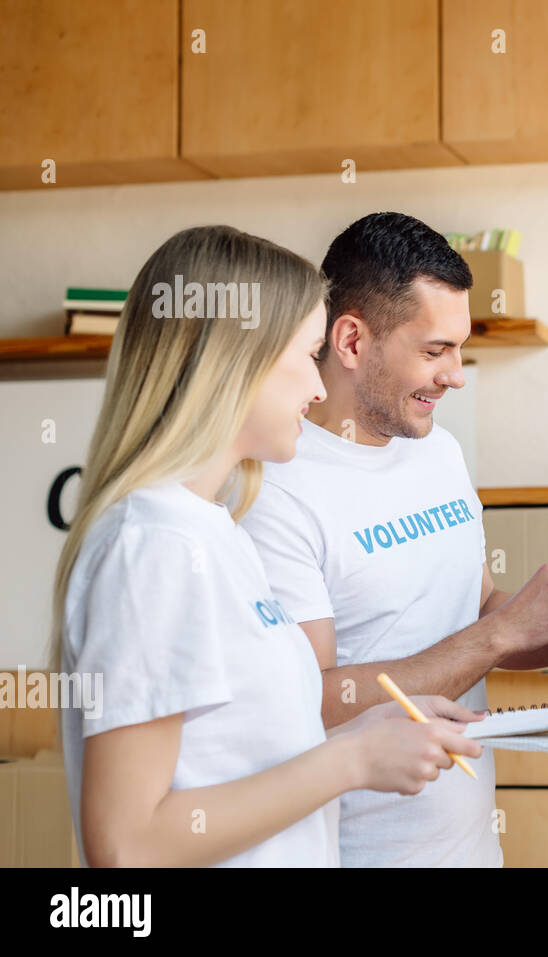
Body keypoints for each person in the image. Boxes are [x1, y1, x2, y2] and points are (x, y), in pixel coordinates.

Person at [54, 225, 483, 868]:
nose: (318, 388)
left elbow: (248, 754)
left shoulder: (215, 529)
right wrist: (352, 759)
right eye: (309, 355)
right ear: (236, 363)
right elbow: (127, 846)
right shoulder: (151, 547)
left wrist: (373, 730)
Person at [240, 212, 548, 867]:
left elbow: (477, 608)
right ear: (351, 339)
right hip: (358, 852)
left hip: (471, 848)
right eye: (436, 349)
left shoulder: (437, 451)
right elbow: (316, 697)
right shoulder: (276, 487)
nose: (457, 374)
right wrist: (499, 633)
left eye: (460, 348)